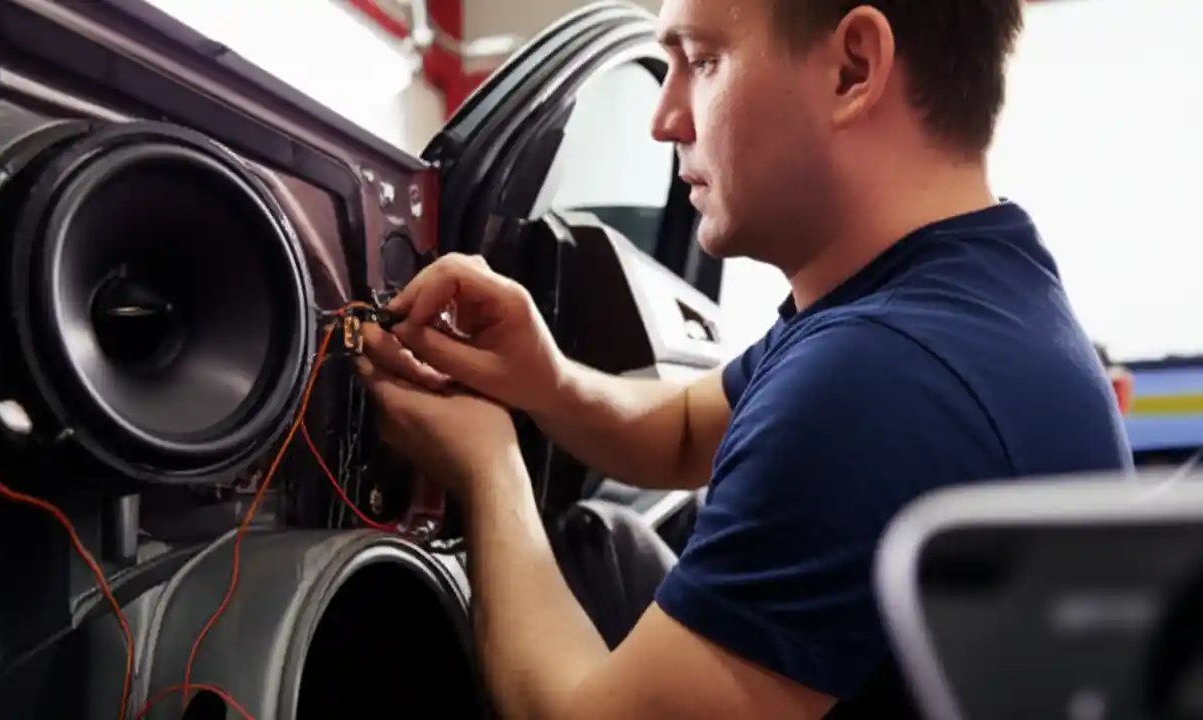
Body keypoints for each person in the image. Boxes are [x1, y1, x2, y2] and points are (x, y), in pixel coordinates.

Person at [356, 0, 1134, 717]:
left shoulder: (882, 380)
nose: (664, 120)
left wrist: (490, 474)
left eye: (701, 61)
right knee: (602, 541)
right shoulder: (959, 288)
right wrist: (545, 381)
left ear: (852, 70)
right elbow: (691, 429)